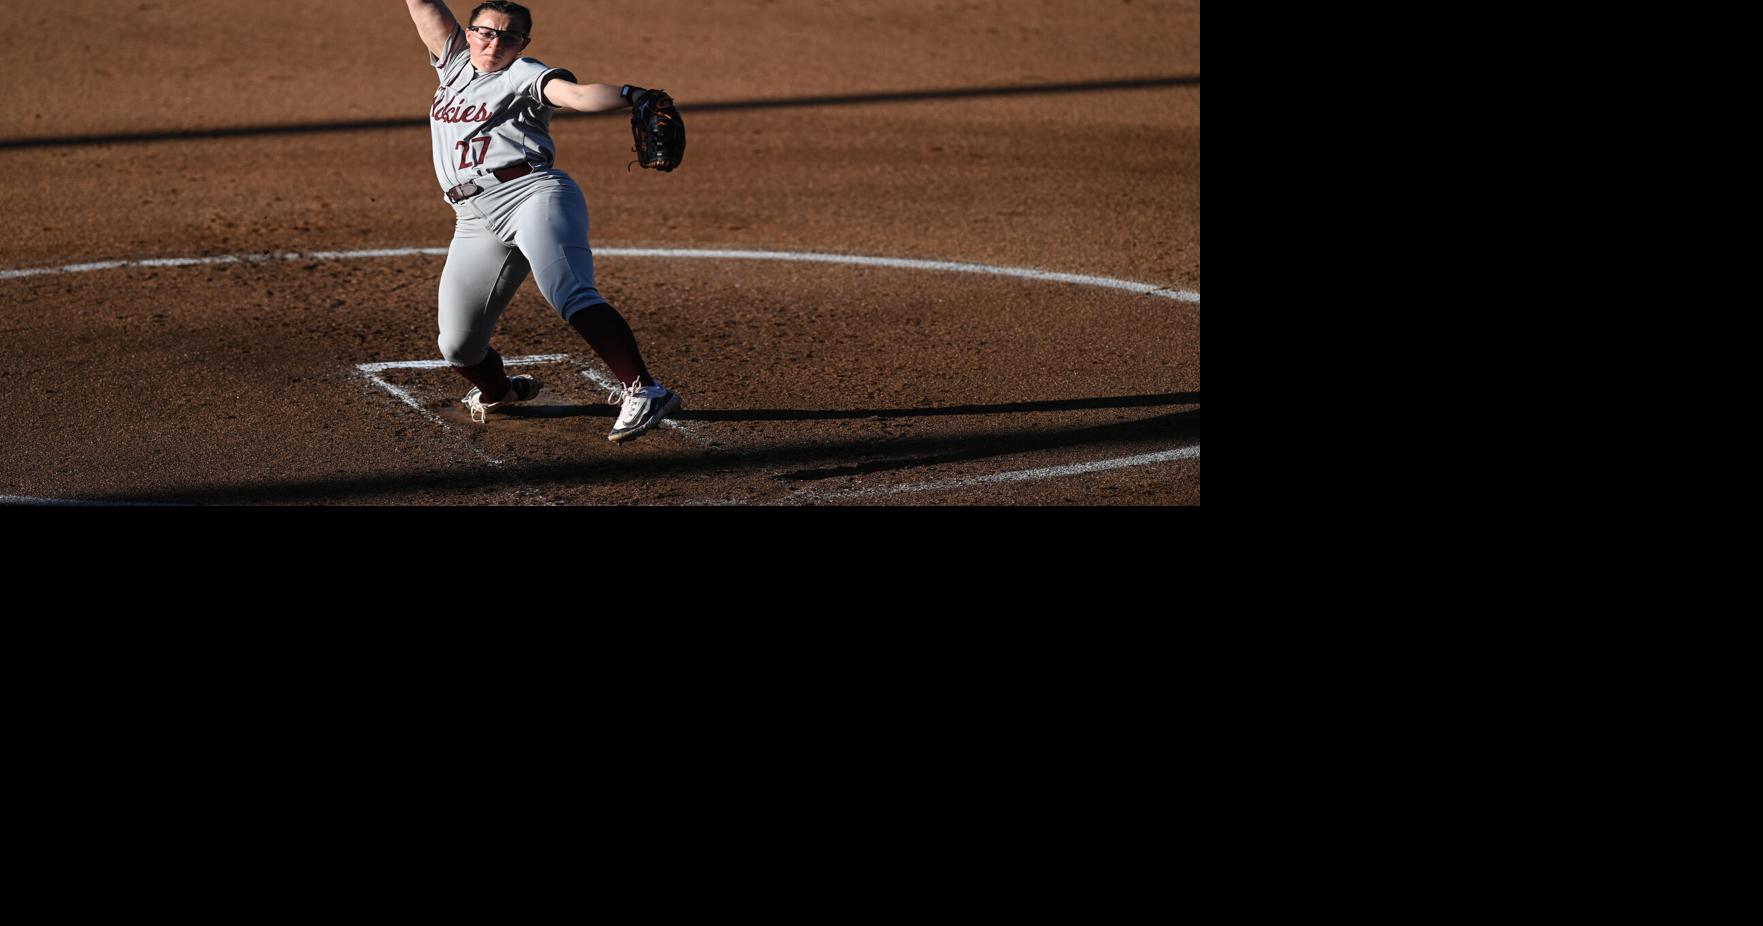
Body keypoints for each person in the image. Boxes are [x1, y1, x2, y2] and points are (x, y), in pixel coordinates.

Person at [404, 0, 681, 442]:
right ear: (469, 32)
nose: (494, 41)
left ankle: (645, 389)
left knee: (568, 291)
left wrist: (633, 94)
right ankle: (502, 391)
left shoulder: (523, 73)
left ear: (522, 44)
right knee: (457, 345)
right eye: (486, 31)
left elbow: (575, 94)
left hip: (532, 195)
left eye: (508, 36)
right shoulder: (453, 64)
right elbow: (422, 6)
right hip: (472, 218)